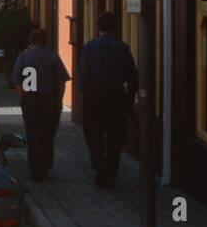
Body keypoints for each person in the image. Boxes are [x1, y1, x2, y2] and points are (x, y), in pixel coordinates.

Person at [79, 11, 139, 188]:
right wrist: (129, 97)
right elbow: (132, 75)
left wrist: (87, 93)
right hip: (116, 96)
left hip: (95, 96)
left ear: (99, 27)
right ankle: (109, 170)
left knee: (92, 132)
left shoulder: (90, 47)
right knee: (116, 137)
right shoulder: (122, 47)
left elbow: (83, 74)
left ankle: (99, 161)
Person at [10, 28, 71, 181]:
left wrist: (23, 100)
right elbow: (61, 83)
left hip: (31, 100)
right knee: (47, 135)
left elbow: (18, 83)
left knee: (33, 135)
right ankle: (45, 165)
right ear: (45, 41)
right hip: (49, 101)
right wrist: (59, 100)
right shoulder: (53, 57)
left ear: (31, 41)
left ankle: (35, 168)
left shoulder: (23, 57)